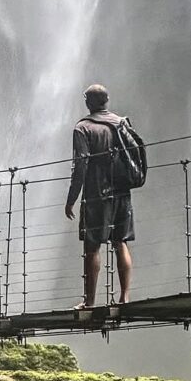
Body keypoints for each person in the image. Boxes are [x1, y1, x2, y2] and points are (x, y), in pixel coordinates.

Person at [64, 84, 133, 308]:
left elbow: (80, 165)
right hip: (121, 192)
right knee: (120, 242)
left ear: (87, 102)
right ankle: (124, 297)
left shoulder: (83, 128)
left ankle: (90, 302)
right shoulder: (121, 123)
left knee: (92, 246)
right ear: (107, 100)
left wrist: (71, 198)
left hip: (95, 194)